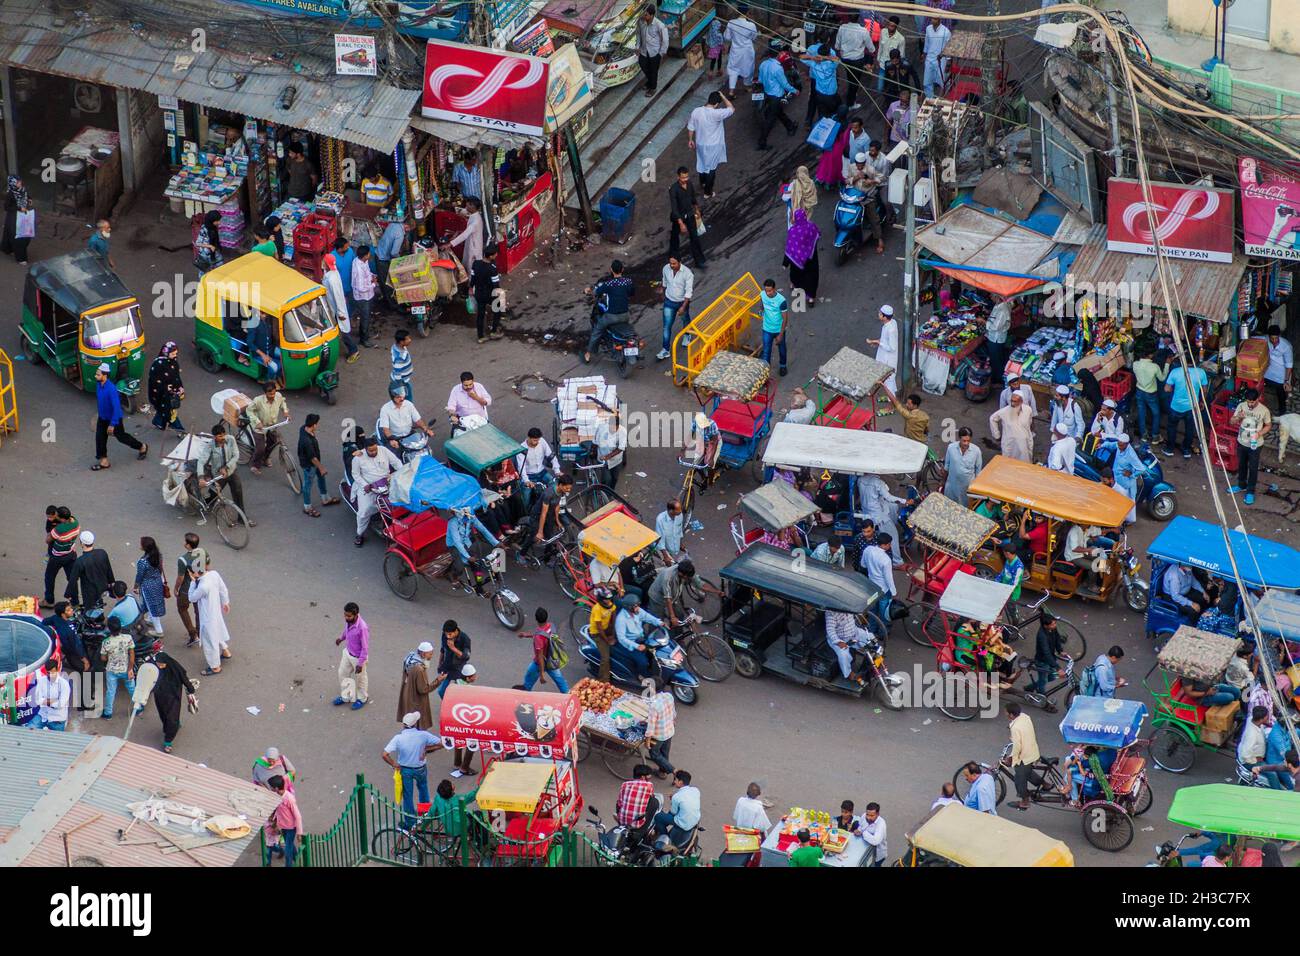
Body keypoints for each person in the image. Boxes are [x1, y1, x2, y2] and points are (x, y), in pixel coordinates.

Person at [384, 713, 439, 825]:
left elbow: (385, 754)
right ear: (416, 723)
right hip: (420, 768)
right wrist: (426, 749)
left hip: (405, 770)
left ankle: (410, 822)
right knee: (423, 789)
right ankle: (425, 816)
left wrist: (394, 764)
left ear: (403, 725)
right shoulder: (423, 735)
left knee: (407, 795)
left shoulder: (398, 738)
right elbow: (442, 743)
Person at [92, 364, 146, 471]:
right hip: (102, 418)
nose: (95, 376)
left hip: (113, 419)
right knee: (100, 438)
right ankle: (104, 461)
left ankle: (141, 446)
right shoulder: (98, 384)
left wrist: (112, 424)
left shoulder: (111, 389)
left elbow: (117, 408)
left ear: (105, 375)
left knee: (122, 437)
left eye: (98, 374)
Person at [351, 436, 402, 546]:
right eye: (371, 451)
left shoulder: (383, 450)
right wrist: (365, 485)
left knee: (401, 502)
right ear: (365, 449)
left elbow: (396, 462)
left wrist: (400, 473)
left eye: (375, 449)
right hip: (369, 488)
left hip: (386, 483)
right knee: (364, 511)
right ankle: (360, 534)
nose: (374, 452)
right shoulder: (358, 458)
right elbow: (356, 474)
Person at [584, 259, 636, 364]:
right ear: (622, 269)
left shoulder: (609, 284)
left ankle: (588, 353)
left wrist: (588, 291)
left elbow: (596, 292)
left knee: (597, 330)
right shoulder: (628, 282)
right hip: (625, 315)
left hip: (611, 317)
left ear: (611, 270)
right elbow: (631, 293)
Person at [1229, 387, 1272, 505]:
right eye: (1248, 401)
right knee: (1241, 465)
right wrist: (1238, 417)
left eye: (1252, 402)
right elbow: (1231, 421)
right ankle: (1241, 485)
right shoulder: (1241, 406)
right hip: (1241, 442)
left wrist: (1259, 433)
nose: (1250, 404)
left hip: (1256, 445)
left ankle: (1250, 491)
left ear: (1258, 399)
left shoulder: (1264, 411)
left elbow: (1268, 425)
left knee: (1253, 468)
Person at [188, 559, 231, 676]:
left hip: (207, 617)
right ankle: (225, 651)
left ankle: (215, 666)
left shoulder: (202, 586)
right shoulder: (214, 575)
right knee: (218, 631)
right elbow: (223, 589)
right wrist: (225, 602)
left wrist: (192, 583)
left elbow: (192, 598)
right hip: (216, 611)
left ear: (196, 573)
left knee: (210, 641)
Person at [687, 90, 734, 197]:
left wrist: (690, 140)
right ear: (717, 104)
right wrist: (723, 96)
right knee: (711, 169)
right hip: (714, 145)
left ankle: (702, 182)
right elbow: (731, 108)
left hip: (700, 143)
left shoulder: (696, 111)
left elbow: (691, 127)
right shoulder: (717, 113)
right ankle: (708, 192)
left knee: (702, 163)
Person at [200, 419, 248, 518]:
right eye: (219, 436)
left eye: (223, 435)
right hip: (218, 475)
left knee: (238, 493)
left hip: (231, 471)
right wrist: (201, 477)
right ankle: (205, 505)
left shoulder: (231, 439)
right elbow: (201, 461)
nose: (222, 437)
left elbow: (236, 455)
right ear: (214, 437)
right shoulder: (210, 447)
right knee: (214, 494)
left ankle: (242, 518)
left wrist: (226, 467)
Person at [756, 46, 798, 150]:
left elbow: (760, 80)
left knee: (779, 113)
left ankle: (790, 126)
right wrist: (794, 90)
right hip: (776, 95)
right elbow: (784, 84)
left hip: (768, 94)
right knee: (770, 120)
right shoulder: (778, 68)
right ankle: (762, 142)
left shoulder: (763, 64)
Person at [1162, 363, 1208, 459]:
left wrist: (1174, 390)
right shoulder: (1201, 372)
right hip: (1192, 407)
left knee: (1172, 427)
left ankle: (1170, 449)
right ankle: (1186, 450)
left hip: (1176, 406)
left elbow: (1166, 389)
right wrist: (1201, 402)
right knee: (1190, 429)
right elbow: (1204, 390)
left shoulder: (1175, 372)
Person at [615, 593, 664, 681]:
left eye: (638, 606)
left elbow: (647, 616)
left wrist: (659, 622)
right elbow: (622, 638)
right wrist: (637, 646)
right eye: (636, 606)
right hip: (630, 645)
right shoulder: (621, 619)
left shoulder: (637, 611)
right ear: (630, 608)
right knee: (643, 662)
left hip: (641, 638)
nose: (638, 608)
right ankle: (642, 676)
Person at [297, 413, 338, 517]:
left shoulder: (303, 428)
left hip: (314, 462)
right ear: (314, 425)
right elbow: (312, 458)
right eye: (317, 424)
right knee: (307, 485)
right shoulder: (307, 441)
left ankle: (325, 498)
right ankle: (307, 507)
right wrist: (321, 467)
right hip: (309, 465)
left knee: (321, 478)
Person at [520, 607, 569, 692]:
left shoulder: (539, 637)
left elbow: (540, 656)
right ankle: (569, 698)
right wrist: (526, 635)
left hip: (539, 664)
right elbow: (543, 636)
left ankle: (524, 694)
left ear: (536, 619)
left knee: (528, 680)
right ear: (546, 617)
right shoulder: (551, 626)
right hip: (552, 660)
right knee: (561, 683)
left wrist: (542, 674)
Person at [332, 602, 369, 710]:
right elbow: (346, 630)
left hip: (358, 658)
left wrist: (360, 663)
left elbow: (365, 648)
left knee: (360, 679)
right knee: (342, 674)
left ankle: (362, 698)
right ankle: (346, 696)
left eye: (348, 616)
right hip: (347, 653)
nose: (346, 618)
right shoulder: (349, 622)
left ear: (356, 614)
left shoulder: (363, 628)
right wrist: (341, 638)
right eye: (345, 615)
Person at [515, 426, 562, 512]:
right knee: (526, 496)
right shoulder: (522, 449)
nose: (536, 442)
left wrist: (557, 470)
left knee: (554, 485)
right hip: (529, 476)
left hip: (542, 472)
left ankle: (552, 507)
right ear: (528, 438)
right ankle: (527, 513)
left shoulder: (542, 442)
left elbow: (551, 456)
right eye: (534, 440)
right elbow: (521, 467)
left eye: (538, 440)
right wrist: (526, 481)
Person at [65, 530, 114, 609]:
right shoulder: (102, 552)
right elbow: (109, 569)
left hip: (89, 591)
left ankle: (93, 620)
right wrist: (111, 582)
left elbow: (73, 580)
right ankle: (99, 617)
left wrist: (68, 594)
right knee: (99, 603)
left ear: (82, 543)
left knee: (90, 608)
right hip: (102, 585)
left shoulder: (80, 561)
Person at [377, 387, 434, 456]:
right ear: (392, 397)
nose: (401, 399)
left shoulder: (409, 404)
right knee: (393, 457)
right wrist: (392, 440)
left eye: (402, 396)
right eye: (398, 397)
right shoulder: (385, 409)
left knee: (425, 449)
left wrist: (426, 429)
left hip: (410, 434)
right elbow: (386, 429)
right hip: (395, 438)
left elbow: (418, 420)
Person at [668, 166, 706, 266]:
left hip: (689, 214)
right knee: (675, 237)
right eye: (683, 178)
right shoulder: (673, 189)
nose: (685, 180)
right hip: (678, 217)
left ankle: (699, 261)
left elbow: (693, 198)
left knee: (695, 237)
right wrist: (681, 223)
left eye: (686, 177)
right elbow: (674, 208)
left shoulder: (689, 184)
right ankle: (673, 256)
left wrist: (697, 209)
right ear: (678, 177)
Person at [658, 255, 694, 361]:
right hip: (669, 301)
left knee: (685, 319)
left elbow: (688, 292)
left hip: (682, 302)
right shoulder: (666, 268)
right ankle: (665, 350)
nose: (672, 265)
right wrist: (662, 294)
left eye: (674, 263)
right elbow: (664, 282)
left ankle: (687, 335)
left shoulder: (687, 273)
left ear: (680, 262)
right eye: (670, 263)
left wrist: (683, 307)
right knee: (666, 326)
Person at [321, 253, 357, 362]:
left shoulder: (332, 279)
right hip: (332, 307)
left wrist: (341, 313)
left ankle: (354, 351)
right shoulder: (331, 273)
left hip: (336, 309)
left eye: (323, 261)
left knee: (343, 331)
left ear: (326, 264)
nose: (322, 263)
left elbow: (338, 296)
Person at [783, 209, 821, 309]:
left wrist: (785, 263)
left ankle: (794, 285)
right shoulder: (812, 226)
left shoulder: (792, 231)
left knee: (796, 274)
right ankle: (811, 298)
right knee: (812, 276)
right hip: (811, 258)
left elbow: (790, 248)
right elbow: (817, 235)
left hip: (798, 260)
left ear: (796, 219)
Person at [43, 507, 80, 609]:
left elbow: (48, 540)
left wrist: (51, 533)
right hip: (71, 554)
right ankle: (75, 602)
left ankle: (49, 600)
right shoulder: (75, 523)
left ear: (63, 519)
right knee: (71, 579)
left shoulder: (59, 529)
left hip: (57, 557)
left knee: (49, 577)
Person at [173, 533, 207, 647]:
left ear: (188, 545)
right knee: (198, 610)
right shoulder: (203, 553)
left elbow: (181, 578)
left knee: (182, 609)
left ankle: (193, 634)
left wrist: (176, 588)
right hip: (200, 586)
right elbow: (207, 568)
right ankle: (199, 632)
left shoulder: (183, 560)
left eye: (185, 542)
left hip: (186, 589)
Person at [99, 619, 136, 720]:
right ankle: (139, 708)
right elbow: (132, 655)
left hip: (111, 670)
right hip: (126, 669)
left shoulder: (106, 642)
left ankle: (108, 713)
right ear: (120, 627)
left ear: (109, 629)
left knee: (110, 691)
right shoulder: (128, 638)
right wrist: (130, 669)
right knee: (132, 688)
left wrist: (108, 657)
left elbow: (103, 658)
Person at [836, 16, 875, 110]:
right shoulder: (863, 31)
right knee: (855, 82)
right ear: (859, 19)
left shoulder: (842, 28)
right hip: (857, 60)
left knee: (850, 78)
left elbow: (837, 46)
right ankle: (850, 103)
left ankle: (852, 94)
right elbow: (871, 48)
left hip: (845, 59)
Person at [653, 769, 701, 847]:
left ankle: (665, 837)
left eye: (675, 779)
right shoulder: (696, 790)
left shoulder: (676, 797)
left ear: (680, 782)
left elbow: (673, 812)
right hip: (695, 820)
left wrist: (673, 800)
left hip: (683, 823)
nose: (674, 781)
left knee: (658, 817)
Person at [1006, 702, 1040, 811]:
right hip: (1033, 750)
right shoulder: (1025, 717)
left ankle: (1025, 801)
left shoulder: (1015, 728)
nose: (1005, 714)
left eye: (1006, 713)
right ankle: (1045, 784)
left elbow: (1017, 747)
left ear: (1011, 715)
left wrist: (1011, 758)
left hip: (1025, 755)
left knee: (1019, 778)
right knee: (1027, 772)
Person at [825, 607, 874, 682]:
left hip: (854, 632)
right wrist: (838, 642)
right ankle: (849, 673)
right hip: (840, 639)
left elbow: (857, 615)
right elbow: (830, 631)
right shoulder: (831, 613)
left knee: (871, 638)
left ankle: (871, 662)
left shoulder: (849, 605)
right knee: (843, 655)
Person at [398, 641, 437, 730]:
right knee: (417, 723)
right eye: (430, 654)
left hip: (407, 694)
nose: (431, 656)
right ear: (423, 654)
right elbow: (423, 689)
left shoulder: (409, 659)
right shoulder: (419, 669)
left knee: (409, 722)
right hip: (415, 700)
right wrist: (438, 680)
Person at [799, 40, 840, 127]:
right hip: (831, 94)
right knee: (834, 113)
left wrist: (813, 58)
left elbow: (801, 57)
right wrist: (825, 58)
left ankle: (817, 125)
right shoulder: (832, 65)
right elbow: (837, 59)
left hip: (819, 93)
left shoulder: (814, 64)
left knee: (821, 112)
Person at [1132, 349, 1169, 442]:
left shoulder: (1135, 364)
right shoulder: (1154, 367)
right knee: (1156, 414)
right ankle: (1155, 436)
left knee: (1141, 413)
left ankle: (1143, 435)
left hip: (1139, 391)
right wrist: (1167, 364)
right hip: (1151, 393)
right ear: (1150, 355)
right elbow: (1162, 378)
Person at [148, 342, 186, 433]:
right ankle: (180, 430)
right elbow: (154, 381)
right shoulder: (157, 364)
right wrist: (165, 388)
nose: (175, 356)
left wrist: (180, 387)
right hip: (163, 394)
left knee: (163, 410)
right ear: (166, 353)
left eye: (176, 353)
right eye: (173, 354)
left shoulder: (173, 361)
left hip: (173, 391)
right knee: (170, 413)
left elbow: (176, 376)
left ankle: (158, 422)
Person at [132, 537, 167, 637]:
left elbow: (139, 576)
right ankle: (150, 620)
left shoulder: (143, 562)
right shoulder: (158, 556)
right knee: (154, 604)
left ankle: (159, 630)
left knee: (151, 607)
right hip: (157, 583)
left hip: (147, 587)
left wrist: (135, 586)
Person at [722, 4, 759, 95]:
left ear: (737, 11)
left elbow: (727, 37)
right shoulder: (751, 25)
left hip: (736, 51)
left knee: (733, 69)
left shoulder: (731, 23)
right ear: (747, 12)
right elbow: (754, 37)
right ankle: (747, 86)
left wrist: (735, 38)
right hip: (747, 51)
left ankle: (731, 91)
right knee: (748, 69)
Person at [375, 219, 411, 311]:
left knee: (383, 281)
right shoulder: (400, 235)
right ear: (407, 227)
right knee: (388, 284)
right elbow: (394, 252)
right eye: (408, 230)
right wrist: (401, 260)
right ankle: (393, 306)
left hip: (378, 253)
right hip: (383, 259)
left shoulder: (393, 223)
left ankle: (385, 299)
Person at [989, 390, 1034, 462]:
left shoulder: (1028, 410)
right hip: (1010, 444)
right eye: (1011, 401)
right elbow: (992, 419)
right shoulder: (1004, 411)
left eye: (1015, 401)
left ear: (1021, 401)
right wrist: (997, 435)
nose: (1012, 403)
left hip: (1024, 443)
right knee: (1008, 463)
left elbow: (1029, 423)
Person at [470, 243, 503, 342]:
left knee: (480, 314)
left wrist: (471, 288)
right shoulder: (492, 269)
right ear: (491, 256)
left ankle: (480, 337)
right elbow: (496, 285)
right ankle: (493, 332)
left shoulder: (475, 263)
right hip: (490, 294)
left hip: (479, 294)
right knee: (498, 310)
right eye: (495, 254)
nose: (496, 255)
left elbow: (473, 278)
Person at [644, 676, 676, 776]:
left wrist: (647, 741)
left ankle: (674, 771)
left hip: (659, 735)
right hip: (669, 730)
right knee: (664, 753)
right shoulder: (668, 696)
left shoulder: (654, 704)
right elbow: (674, 712)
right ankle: (663, 772)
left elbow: (651, 725)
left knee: (654, 754)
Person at [1259, 325, 1294, 416]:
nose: (1274, 341)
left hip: (1280, 374)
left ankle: (1282, 413)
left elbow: (1289, 366)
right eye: (1272, 338)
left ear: (1279, 336)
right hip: (1267, 373)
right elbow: (1252, 338)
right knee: (1258, 385)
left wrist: (1286, 381)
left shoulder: (1286, 346)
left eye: (1276, 338)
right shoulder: (1265, 339)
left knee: (1281, 393)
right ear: (1269, 336)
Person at [648, 559, 695, 626]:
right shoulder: (668, 577)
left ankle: (676, 633)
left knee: (679, 616)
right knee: (657, 622)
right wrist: (672, 617)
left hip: (673, 598)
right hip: (658, 599)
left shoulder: (683, 569)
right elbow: (668, 598)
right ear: (682, 574)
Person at [29, 656, 71, 731]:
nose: (50, 675)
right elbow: (38, 700)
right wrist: (54, 700)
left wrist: (45, 701)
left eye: (53, 672)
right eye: (48, 673)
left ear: (57, 670)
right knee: (29, 730)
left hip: (57, 719)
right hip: (43, 715)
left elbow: (60, 704)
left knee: (56, 740)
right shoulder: (42, 681)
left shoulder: (64, 684)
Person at [43, 602, 86, 675]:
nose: (72, 610)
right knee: (83, 667)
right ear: (63, 614)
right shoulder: (68, 631)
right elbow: (76, 646)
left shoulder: (55, 618)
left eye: (71, 608)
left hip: (66, 645)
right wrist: (84, 659)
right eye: (68, 610)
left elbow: (44, 622)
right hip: (71, 650)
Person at [636, 6, 670, 96]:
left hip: (655, 52)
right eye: (643, 13)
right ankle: (650, 82)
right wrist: (637, 46)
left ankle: (653, 88)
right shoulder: (640, 22)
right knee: (643, 64)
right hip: (644, 50)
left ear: (651, 15)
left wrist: (661, 53)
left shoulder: (659, 25)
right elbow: (638, 34)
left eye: (646, 14)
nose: (643, 15)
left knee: (653, 70)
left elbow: (665, 40)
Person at [759, 278, 789, 377]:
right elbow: (762, 303)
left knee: (782, 349)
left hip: (778, 329)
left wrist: (781, 334)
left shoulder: (781, 301)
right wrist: (761, 311)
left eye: (770, 291)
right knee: (766, 351)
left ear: (774, 289)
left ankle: (783, 366)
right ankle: (765, 374)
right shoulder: (762, 294)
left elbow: (785, 319)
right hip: (766, 329)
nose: (768, 293)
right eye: (766, 290)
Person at [448, 196, 486, 274]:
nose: (466, 206)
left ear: (473, 206)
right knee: (470, 266)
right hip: (473, 244)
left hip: (474, 248)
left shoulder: (475, 222)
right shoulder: (475, 215)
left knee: (471, 267)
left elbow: (465, 235)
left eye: (468, 205)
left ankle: (472, 284)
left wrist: (450, 244)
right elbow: (463, 211)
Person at [943, 428, 982, 504]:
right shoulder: (951, 448)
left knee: (963, 508)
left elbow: (978, 471)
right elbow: (946, 466)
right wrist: (942, 482)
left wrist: (976, 490)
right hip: (952, 486)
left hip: (966, 488)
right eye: (964, 441)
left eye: (968, 441)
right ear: (959, 438)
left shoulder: (976, 451)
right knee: (949, 505)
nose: (966, 443)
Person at [616, 765, 657, 836]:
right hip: (637, 824)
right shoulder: (649, 785)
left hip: (622, 821)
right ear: (642, 777)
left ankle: (620, 821)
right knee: (655, 802)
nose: (649, 779)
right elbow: (651, 797)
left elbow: (619, 803)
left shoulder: (625, 784)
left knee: (619, 803)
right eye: (648, 777)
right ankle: (644, 830)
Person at [587, 589, 619, 682]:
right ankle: (603, 680)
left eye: (609, 599)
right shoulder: (597, 609)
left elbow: (613, 620)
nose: (608, 601)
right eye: (606, 599)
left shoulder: (611, 606)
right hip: (597, 633)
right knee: (605, 658)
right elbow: (599, 628)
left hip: (607, 629)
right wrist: (607, 640)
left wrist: (613, 635)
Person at [866, 305, 899, 392]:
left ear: (884, 317)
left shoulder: (890, 329)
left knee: (889, 379)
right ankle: (893, 394)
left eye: (880, 314)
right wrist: (876, 342)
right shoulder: (892, 322)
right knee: (889, 379)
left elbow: (892, 348)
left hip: (888, 359)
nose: (878, 314)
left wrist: (878, 342)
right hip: (884, 355)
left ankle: (892, 399)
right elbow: (885, 339)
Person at [351, 244, 378, 348]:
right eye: (368, 253)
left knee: (365, 317)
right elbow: (361, 288)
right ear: (365, 255)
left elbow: (368, 271)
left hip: (368, 294)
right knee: (365, 317)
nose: (370, 254)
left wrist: (372, 276)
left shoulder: (363, 261)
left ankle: (364, 334)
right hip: (362, 297)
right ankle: (364, 340)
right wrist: (373, 284)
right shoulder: (358, 268)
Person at [593, 412, 628, 489]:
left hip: (616, 460)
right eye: (610, 426)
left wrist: (607, 457)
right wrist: (594, 453)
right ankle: (603, 492)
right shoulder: (601, 428)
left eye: (614, 427)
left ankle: (611, 491)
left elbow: (620, 448)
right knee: (605, 479)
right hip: (602, 458)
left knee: (614, 478)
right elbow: (595, 442)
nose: (611, 429)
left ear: (618, 426)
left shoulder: (623, 432)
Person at [921, 15, 951, 97]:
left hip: (941, 59)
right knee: (927, 81)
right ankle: (929, 99)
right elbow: (926, 43)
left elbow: (948, 48)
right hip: (929, 58)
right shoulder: (928, 28)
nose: (932, 20)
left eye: (934, 18)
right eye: (932, 18)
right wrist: (924, 54)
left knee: (942, 81)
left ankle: (940, 100)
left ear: (939, 20)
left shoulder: (946, 31)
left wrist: (948, 61)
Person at [654, 499, 685, 564]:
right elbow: (660, 539)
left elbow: (679, 530)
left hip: (673, 547)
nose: (680, 511)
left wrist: (681, 543)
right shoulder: (660, 520)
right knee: (667, 567)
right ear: (671, 510)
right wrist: (665, 556)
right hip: (664, 550)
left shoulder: (680, 515)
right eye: (678, 510)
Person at [194, 210, 223, 275]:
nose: (219, 222)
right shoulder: (204, 229)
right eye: (217, 221)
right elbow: (197, 243)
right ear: (211, 220)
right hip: (205, 254)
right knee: (204, 273)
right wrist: (210, 246)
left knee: (220, 267)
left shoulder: (213, 227)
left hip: (214, 253)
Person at [390, 329, 414, 401]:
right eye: (407, 339)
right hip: (401, 382)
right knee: (408, 399)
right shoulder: (400, 357)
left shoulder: (395, 347)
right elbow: (397, 373)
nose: (410, 340)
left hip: (402, 380)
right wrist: (400, 387)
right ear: (401, 342)